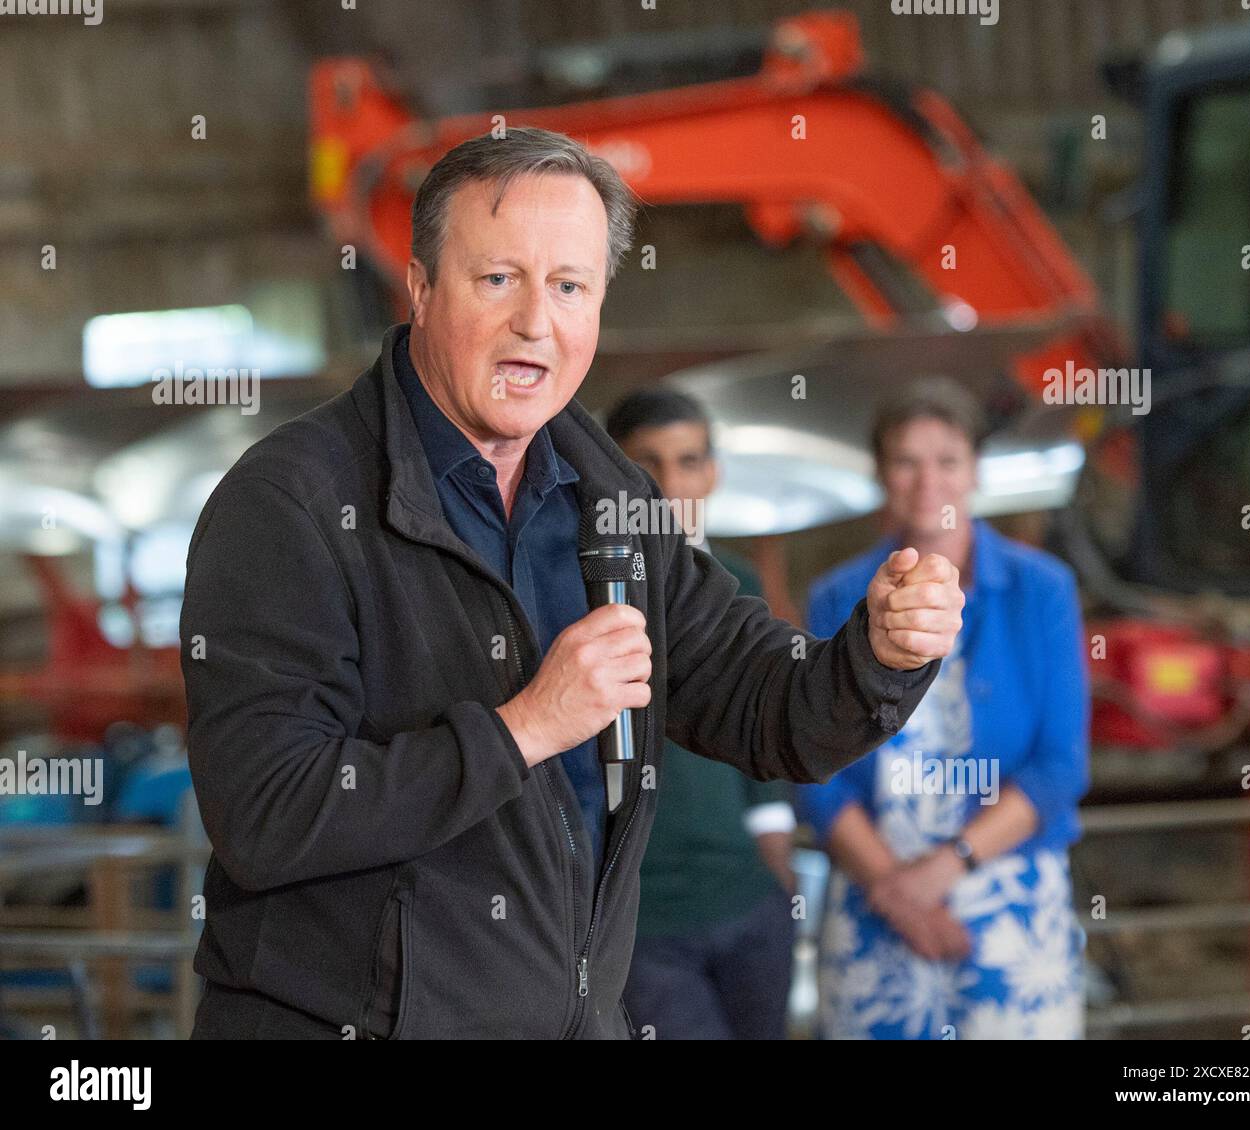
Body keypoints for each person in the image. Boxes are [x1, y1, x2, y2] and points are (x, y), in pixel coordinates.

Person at [181, 127, 964, 1040]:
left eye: (569, 287)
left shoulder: (608, 496)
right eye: (497, 279)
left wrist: (878, 655)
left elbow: (764, 704)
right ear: (421, 289)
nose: (536, 323)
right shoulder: (291, 504)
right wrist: (526, 728)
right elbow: (267, 814)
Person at [800, 377, 1090, 1040]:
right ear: (881, 473)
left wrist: (944, 868)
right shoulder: (837, 595)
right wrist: (895, 891)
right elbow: (813, 764)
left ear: (976, 470)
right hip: (876, 893)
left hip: (1009, 894)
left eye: (948, 460)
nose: (927, 481)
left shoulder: (1042, 589)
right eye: (906, 461)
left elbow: (1061, 765)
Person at [606, 389, 797, 1039]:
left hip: (749, 895)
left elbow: (765, 710)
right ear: (614, 474)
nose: (669, 484)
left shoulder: (741, 580)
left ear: (711, 473)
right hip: (644, 915)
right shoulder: (583, 586)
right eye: (647, 462)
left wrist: (775, 858)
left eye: (687, 461)